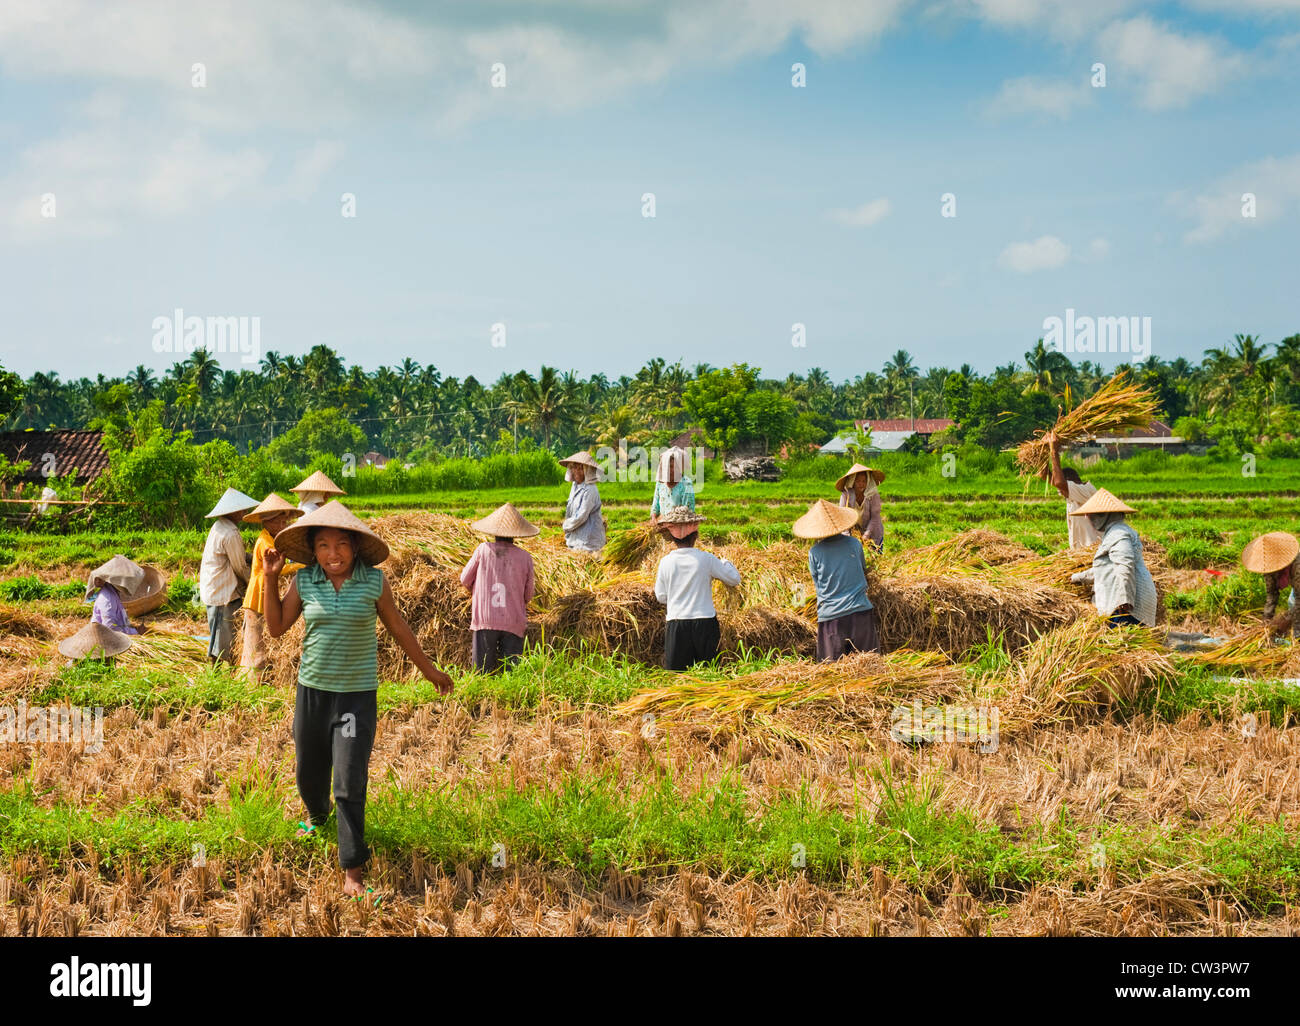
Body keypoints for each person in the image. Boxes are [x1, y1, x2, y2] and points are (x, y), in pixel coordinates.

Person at [264, 500, 453, 898]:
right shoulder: (303, 582)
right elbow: (277, 627)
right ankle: (316, 817)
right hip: (312, 693)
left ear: (355, 547)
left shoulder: (374, 581)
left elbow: (399, 628)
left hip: (355, 699)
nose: (333, 555)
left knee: (349, 781)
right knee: (307, 773)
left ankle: (353, 873)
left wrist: (429, 670)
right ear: (313, 551)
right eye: (323, 547)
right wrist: (270, 578)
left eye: (341, 546)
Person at [653, 507, 740, 671]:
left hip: (677, 624)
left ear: (672, 537)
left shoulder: (666, 562)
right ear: (695, 535)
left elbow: (661, 596)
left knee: (677, 677)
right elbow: (734, 579)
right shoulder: (706, 559)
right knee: (710, 675)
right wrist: (726, 562)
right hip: (705, 624)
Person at [794, 499, 881, 660]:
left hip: (832, 619)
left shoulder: (815, 553)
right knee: (870, 666)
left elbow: (818, 584)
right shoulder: (855, 544)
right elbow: (863, 570)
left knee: (833, 674)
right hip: (860, 613)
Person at [460, 503, 537, 673]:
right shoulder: (525, 557)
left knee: (481, 673)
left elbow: (464, 579)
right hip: (513, 621)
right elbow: (528, 595)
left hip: (486, 619)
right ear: (515, 535)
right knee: (511, 674)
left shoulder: (483, 550)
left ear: (494, 533)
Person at [1068, 489, 1156, 628]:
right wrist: (1078, 577)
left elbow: (1125, 566)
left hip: (1127, 608)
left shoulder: (1118, 534)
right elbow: (1106, 571)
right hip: (1127, 604)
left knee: (1124, 646)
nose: (1086, 517)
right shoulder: (1114, 533)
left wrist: (1124, 600)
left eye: (1090, 514)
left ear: (1103, 515)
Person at [240, 494, 304, 681]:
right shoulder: (265, 542)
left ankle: (257, 680)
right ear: (269, 522)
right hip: (258, 594)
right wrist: (302, 566)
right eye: (280, 521)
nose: (284, 524)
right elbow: (279, 568)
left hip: (264, 591)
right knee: (255, 643)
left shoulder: (272, 537)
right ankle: (251, 683)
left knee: (260, 642)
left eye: (285, 520)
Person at [200, 488, 259, 664]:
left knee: (220, 634)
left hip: (215, 587)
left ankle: (221, 671)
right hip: (222, 591)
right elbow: (240, 566)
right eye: (241, 509)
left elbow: (239, 556)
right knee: (223, 639)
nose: (244, 513)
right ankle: (217, 673)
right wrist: (254, 583)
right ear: (232, 512)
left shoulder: (220, 526)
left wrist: (254, 556)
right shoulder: (231, 532)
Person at [1038, 431, 1099, 549]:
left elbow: (1059, 482)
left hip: (1094, 552)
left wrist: (1054, 451)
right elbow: (1045, 476)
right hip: (1081, 553)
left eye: (1061, 488)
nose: (1059, 490)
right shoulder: (1071, 496)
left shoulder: (1086, 491)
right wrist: (1043, 451)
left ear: (1071, 481)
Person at [1240, 531, 1300, 635]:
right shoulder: (1268, 569)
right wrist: (1266, 623)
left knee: (1294, 605)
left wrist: (1297, 632)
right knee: (1292, 604)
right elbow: (1272, 594)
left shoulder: (1297, 566)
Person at [84, 554, 145, 635]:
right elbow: (109, 629)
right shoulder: (107, 600)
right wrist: (135, 632)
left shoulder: (112, 592)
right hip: (105, 640)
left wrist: (132, 629)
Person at [559, 451, 606, 553]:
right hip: (576, 540)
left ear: (586, 471)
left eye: (580, 468)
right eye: (574, 467)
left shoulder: (590, 490)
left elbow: (581, 516)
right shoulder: (575, 486)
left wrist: (566, 525)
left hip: (589, 543)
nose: (576, 471)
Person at [834, 463, 885, 552]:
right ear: (852, 481)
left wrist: (866, 536)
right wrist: (847, 537)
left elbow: (875, 517)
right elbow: (843, 516)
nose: (861, 484)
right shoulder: (846, 495)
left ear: (868, 481)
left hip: (873, 533)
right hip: (853, 533)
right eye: (858, 481)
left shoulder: (873, 495)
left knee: (874, 559)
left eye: (864, 481)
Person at [650, 447, 695, 525]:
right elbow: (655, 506)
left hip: (680, 527)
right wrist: (654, 519)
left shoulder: (686, 484)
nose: (670, 470)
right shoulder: (660, 483)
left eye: (673, 467)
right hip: (662, 524)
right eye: (667, 467)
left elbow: (688, 511)